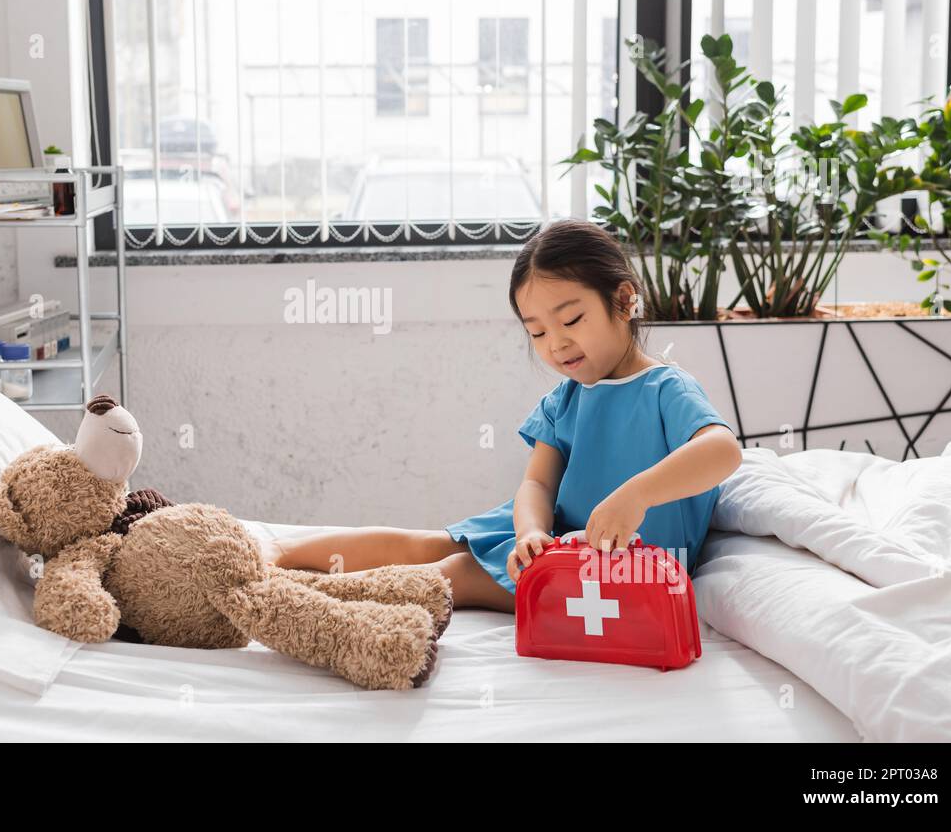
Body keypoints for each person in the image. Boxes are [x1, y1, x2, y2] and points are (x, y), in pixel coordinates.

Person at [262, 219, 744, 613]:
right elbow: (536, 485)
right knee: (429, 545)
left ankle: (306, 600)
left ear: (623, 301)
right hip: (548, 540)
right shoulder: (565, 400)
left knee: (452, 575)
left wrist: (637, 495)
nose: (556, 344)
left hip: (623, 572)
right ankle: (278, 553)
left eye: (571, 320)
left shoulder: (665, 388)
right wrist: (530, 531)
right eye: (536, 332)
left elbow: (721, 450)